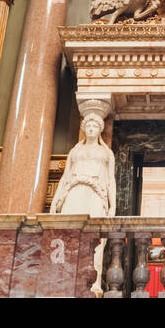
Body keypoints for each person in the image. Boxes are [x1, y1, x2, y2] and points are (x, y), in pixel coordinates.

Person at [52, 111, 115, 294]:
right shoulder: (76, 151)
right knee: (67, 235)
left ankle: (93, 283)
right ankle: (62, 279)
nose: (91, 129)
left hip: (95, 195)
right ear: (84, 128)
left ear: (100, 130)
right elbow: (65, 177)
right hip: (73, 192)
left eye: (95, 126)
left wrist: (113, 207)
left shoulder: (106, 152)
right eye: (88, 126)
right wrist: (56, 199)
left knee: (94, 238)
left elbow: (111, 180)